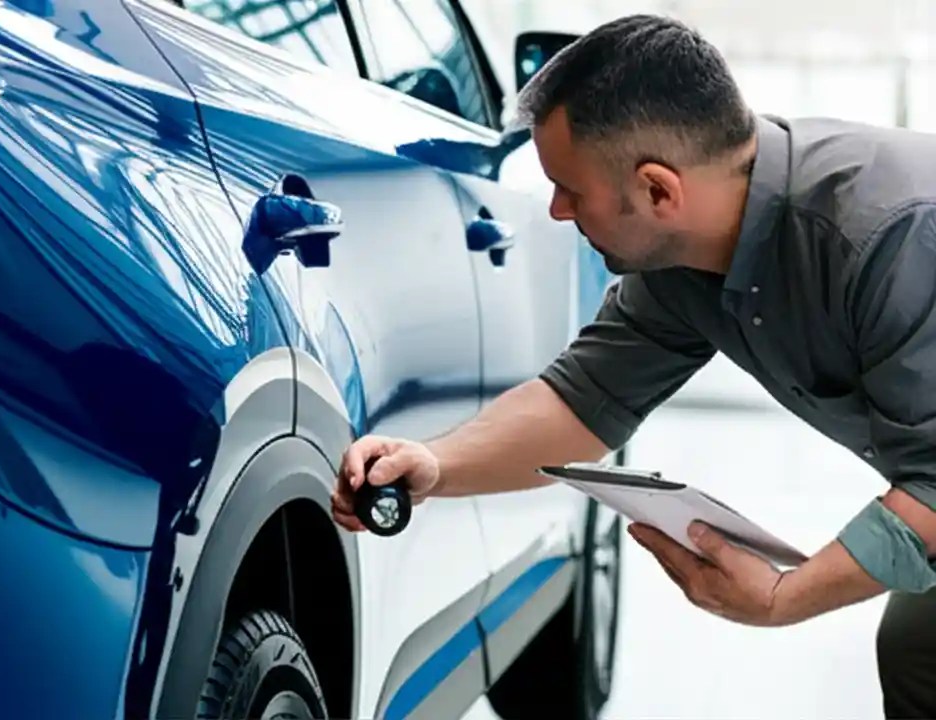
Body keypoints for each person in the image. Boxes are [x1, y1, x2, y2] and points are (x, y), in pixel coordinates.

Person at [329, 13, 936, 719]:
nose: (556, 211)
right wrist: (436, 465)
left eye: (571, 189)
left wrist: (780, 598)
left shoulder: (889, 235)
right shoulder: (685, 259)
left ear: (657, 191)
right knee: (919, 652)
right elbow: (584, 400)